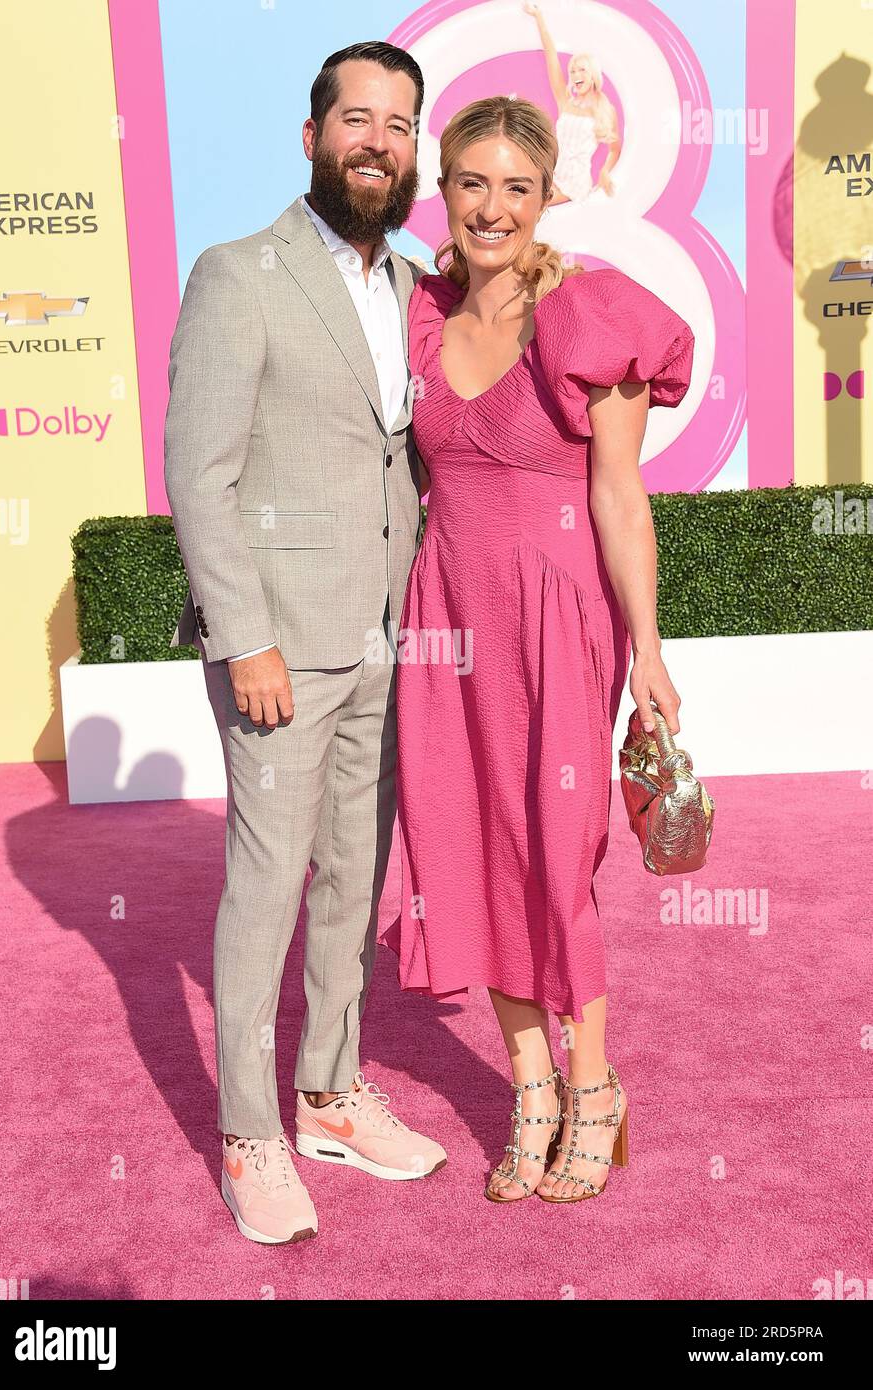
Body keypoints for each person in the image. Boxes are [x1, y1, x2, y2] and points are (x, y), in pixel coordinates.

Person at [380, 95, 694, 1204]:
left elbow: (619, 495)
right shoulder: (417, 317)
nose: (492, 206)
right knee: (461, 843)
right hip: (441, 621)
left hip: (557, 616)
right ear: (444, 190)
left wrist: (647, 646)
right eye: (472, 182)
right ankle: (530, 1087)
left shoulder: (585, 314)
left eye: (517, 185)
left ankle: (594, 1084)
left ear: (546, 194)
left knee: (553, 852)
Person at [164, 41, 446, 1247]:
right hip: (280, 644)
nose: (375, 139)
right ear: (310, 136)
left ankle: (329, 1090)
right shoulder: (241, 273)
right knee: (268, 882)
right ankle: (248, 1129)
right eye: (355, 118)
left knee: (353, 876)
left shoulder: (416, 283)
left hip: (388, 635)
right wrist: (245, 640)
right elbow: (199, 474)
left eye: (396, 122)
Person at [523, 1, 621, 204]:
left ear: (593, 74)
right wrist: (538, 17)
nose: (576, 75)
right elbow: (551, 54)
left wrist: (604, 172)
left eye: (582, 70)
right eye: (573, 71)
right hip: (553, 173)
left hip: (575, 183)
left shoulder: (604, 109)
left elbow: (614, 149)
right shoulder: (566, 102)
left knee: (533, 205)